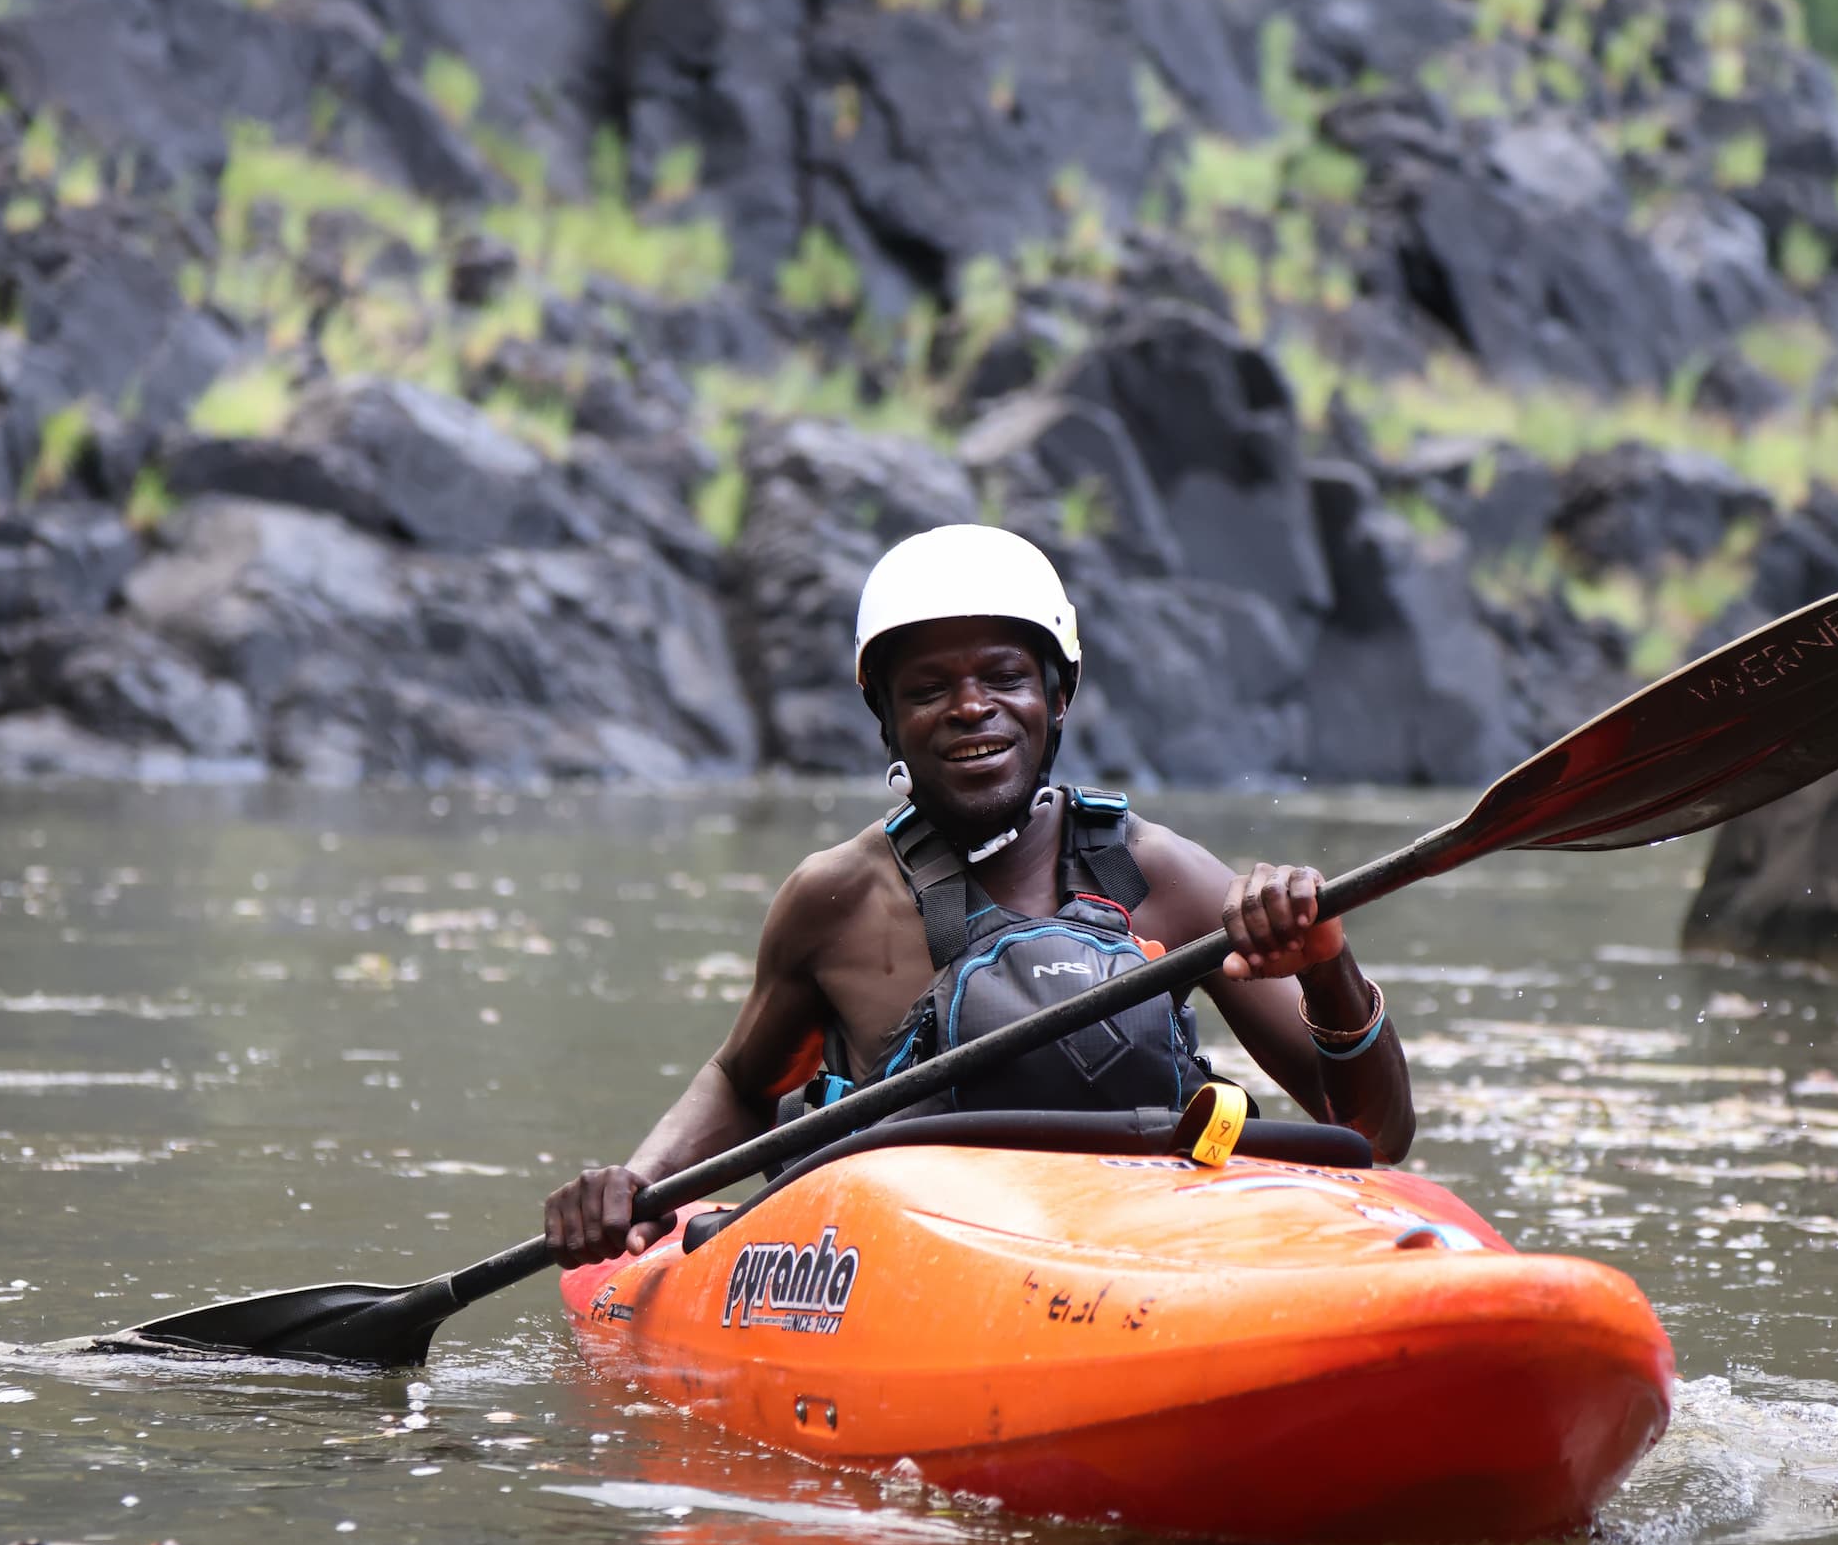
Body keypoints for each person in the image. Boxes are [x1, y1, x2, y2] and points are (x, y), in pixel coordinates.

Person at [543, 525, 1414, 1266]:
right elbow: (742, 1083)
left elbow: (1372, 1137)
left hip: (1153, 1255)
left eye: (1003, 677)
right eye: (928, 690)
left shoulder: (1165, 876)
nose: (971, 707)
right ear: (887, 719)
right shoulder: (835, 901)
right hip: (925, 1264)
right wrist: (641, 1184)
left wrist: (1327, 969)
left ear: (1056, 696)